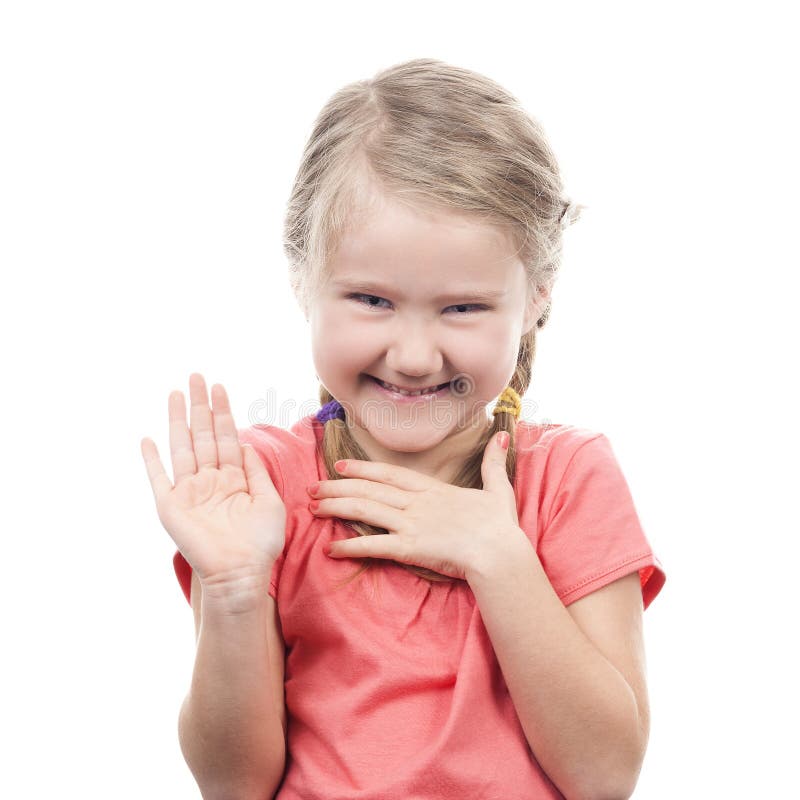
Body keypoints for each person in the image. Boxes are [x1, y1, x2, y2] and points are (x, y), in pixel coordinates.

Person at [141, 57, 666, 800]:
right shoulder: (262, 489)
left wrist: (498, 558)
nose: (415, 357)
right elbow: (234, 785)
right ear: (303, 278)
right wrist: (232, 588)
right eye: (371, 300)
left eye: (462, 308)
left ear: (537, 296)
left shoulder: (567, 480)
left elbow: (606, 775)